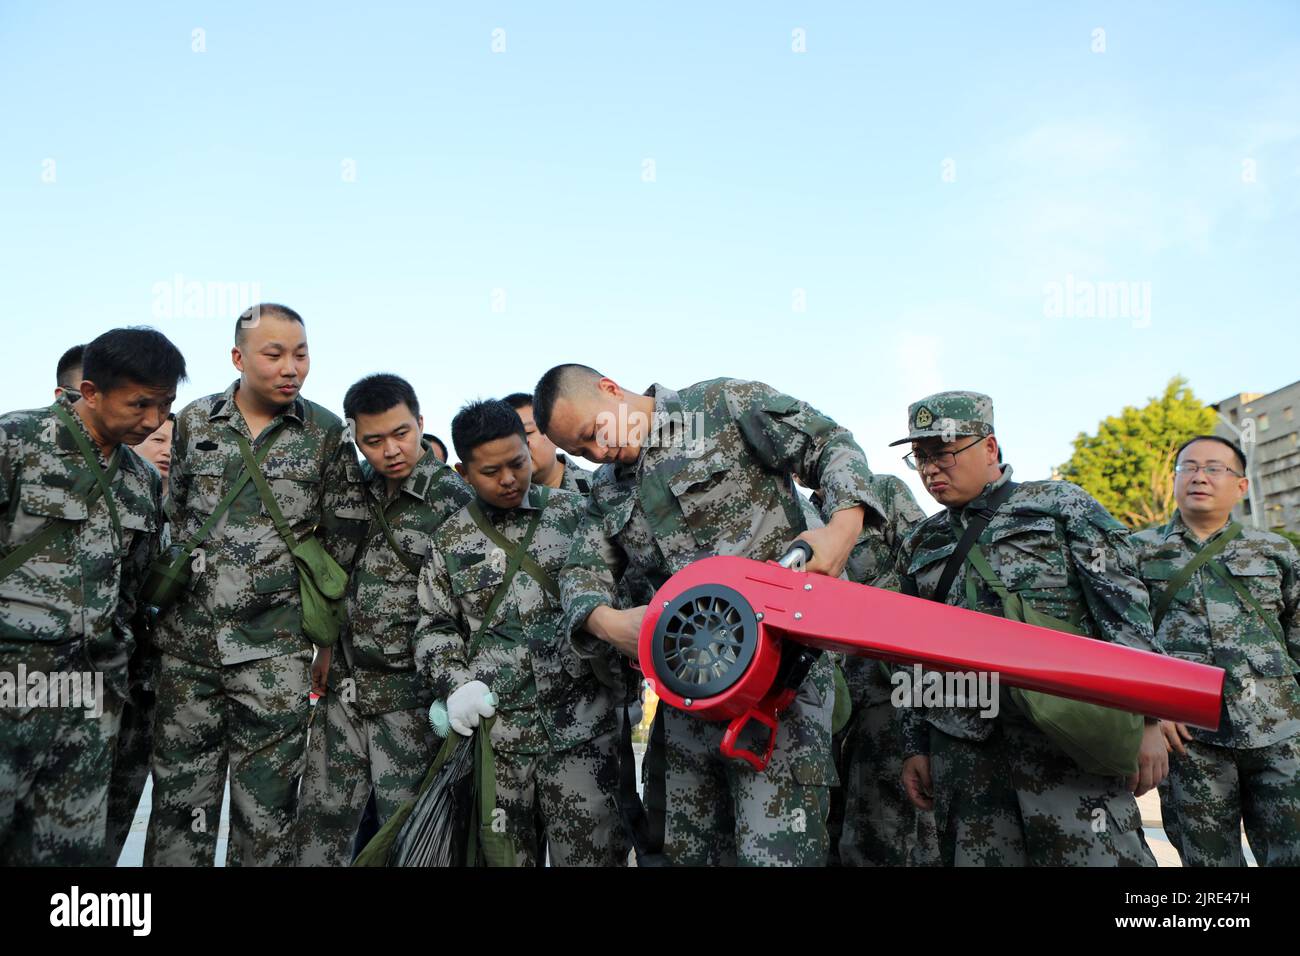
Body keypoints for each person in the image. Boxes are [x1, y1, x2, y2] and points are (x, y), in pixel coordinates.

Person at [535, 364, 881, 866]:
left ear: (610, 389)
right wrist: (610, 623)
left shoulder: (719, 406)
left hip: (780, 683)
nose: (596, 453)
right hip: (689, 696)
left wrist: (840, 530)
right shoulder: (608, 490)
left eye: (594, 433)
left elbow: (829, 444)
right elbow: (581, 572)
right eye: (581, 450)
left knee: (776, 854)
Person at [894, 391, 1165, 866]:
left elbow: (1123, 610)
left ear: (990, 449)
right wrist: (915, 746)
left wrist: (1148, 720)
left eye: (944, 453)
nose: (931, 469)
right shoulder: (921, 541)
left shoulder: (1060, 506)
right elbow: (910, 650)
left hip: (1065, 739)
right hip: (964, 754)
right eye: (920, 457)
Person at [144, 304, 357, 866]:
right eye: (274, 354)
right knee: (178, 802)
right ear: (238, 358)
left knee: (267, 809)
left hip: (277, 651)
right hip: (188, 649)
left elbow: (340, 545)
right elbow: (178, 514)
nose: (292, 367)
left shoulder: (327, 433)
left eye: (302, 353)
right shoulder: (193, 421)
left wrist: (328, 643)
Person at [414, 399, 626, 866]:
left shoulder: (579, 516)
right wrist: (456, 685)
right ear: (464, 473)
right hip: (499, 743)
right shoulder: (450, 540)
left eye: (518, 462)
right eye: (491, 471)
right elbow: (433, 627)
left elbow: (623, 597)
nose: (509, 479)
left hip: (583, 736)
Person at [1, 327, 184, 864]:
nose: (153, 421)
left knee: (70, 849)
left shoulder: (141, 481)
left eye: (165, 404)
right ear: (90, 391)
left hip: (93, 690)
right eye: (140, 404)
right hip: (13, 677)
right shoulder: (17, 442)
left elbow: (134, 587)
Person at [295, 374, 472, 866]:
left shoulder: (454, 502)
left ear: (420, 423)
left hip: (412, 702)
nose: (391, 450)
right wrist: (326, 650)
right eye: (373, 441)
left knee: (409, 835)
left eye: (401, 433)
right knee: (320, 824)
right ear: (355, 438)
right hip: (346, 692)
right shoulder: (351, 490)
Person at [1133, 435, 1300, 866]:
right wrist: (1150, 713)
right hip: (1188, 740)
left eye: (1213, 468)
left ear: (1241, 486)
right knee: (1207, 863)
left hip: (1280, 734)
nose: (1199, 477)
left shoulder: (1276, 551)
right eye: (1188, 467)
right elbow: (1124, 640)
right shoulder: (1137, 551)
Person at [815, 473, 940, 867]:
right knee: (828, 826)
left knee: (888, 825)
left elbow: (927, 567)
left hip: (888, 691)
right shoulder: (790, 511)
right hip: (826, 695)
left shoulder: (880, 492)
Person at [104, 412, 178, 861]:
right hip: (111, 678)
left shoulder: (187, 515)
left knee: (129, 799)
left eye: (174, 441)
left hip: (160, 681)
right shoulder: (113, 503)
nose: (167, 449)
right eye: (156, 439)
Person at [503, 392, 594, 494]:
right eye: (507, 439)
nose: (517, 445)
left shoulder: (599, 488)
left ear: (555, 434)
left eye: (527, 433)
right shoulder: (495, 499)